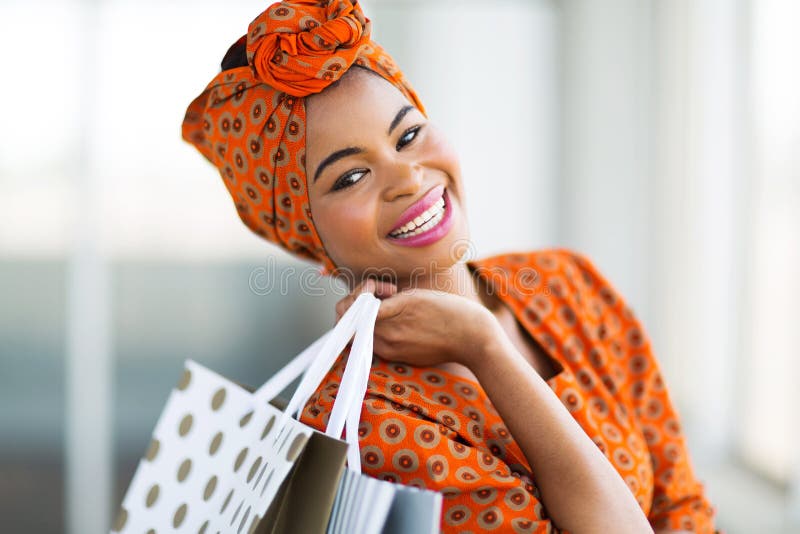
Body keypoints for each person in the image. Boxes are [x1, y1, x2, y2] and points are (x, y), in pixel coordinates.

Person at [182, 1, 718, 532]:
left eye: (408, 135)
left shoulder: (569, 285)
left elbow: (685, 506)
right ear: (307, 232)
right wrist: (486, 348)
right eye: (349, 177)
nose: (408, 179)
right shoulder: (358, 420)